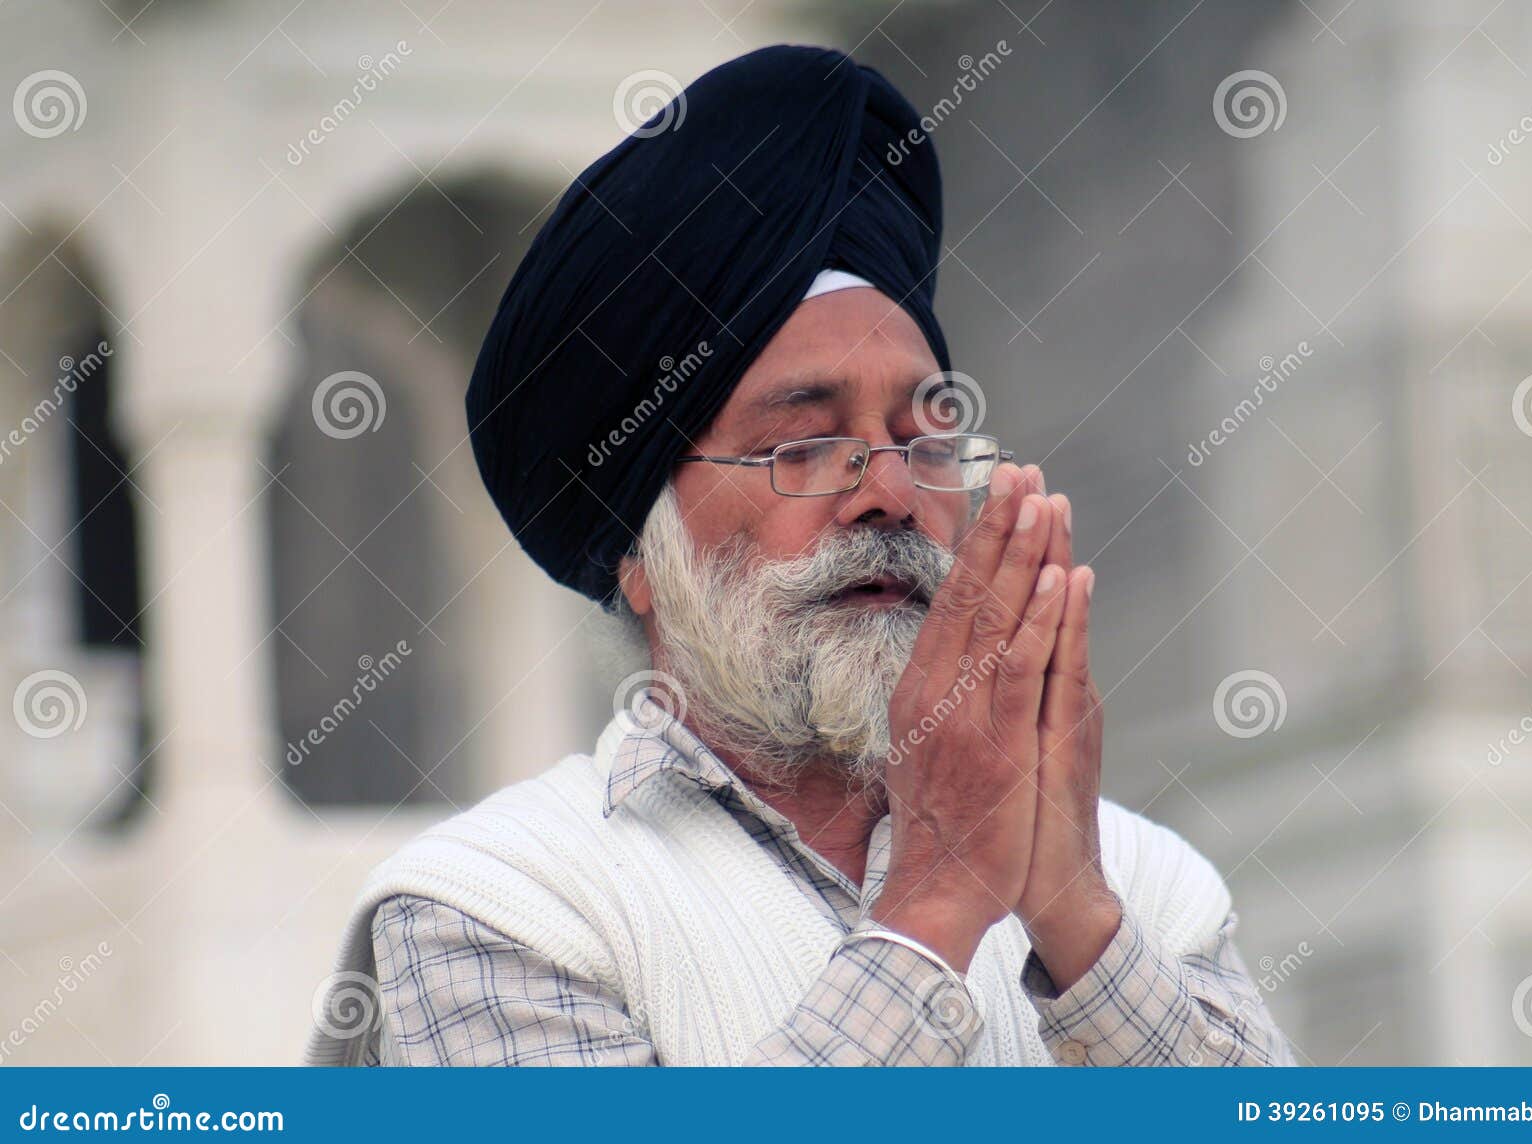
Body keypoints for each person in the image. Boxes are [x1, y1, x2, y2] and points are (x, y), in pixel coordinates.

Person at [306, 44, 1295, 1067]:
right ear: (642, 553)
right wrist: (936, 899)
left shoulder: (1146, 886)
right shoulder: (501, 909)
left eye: (923, 440)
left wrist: (1076, 919)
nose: (890, 493)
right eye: (801, 444)